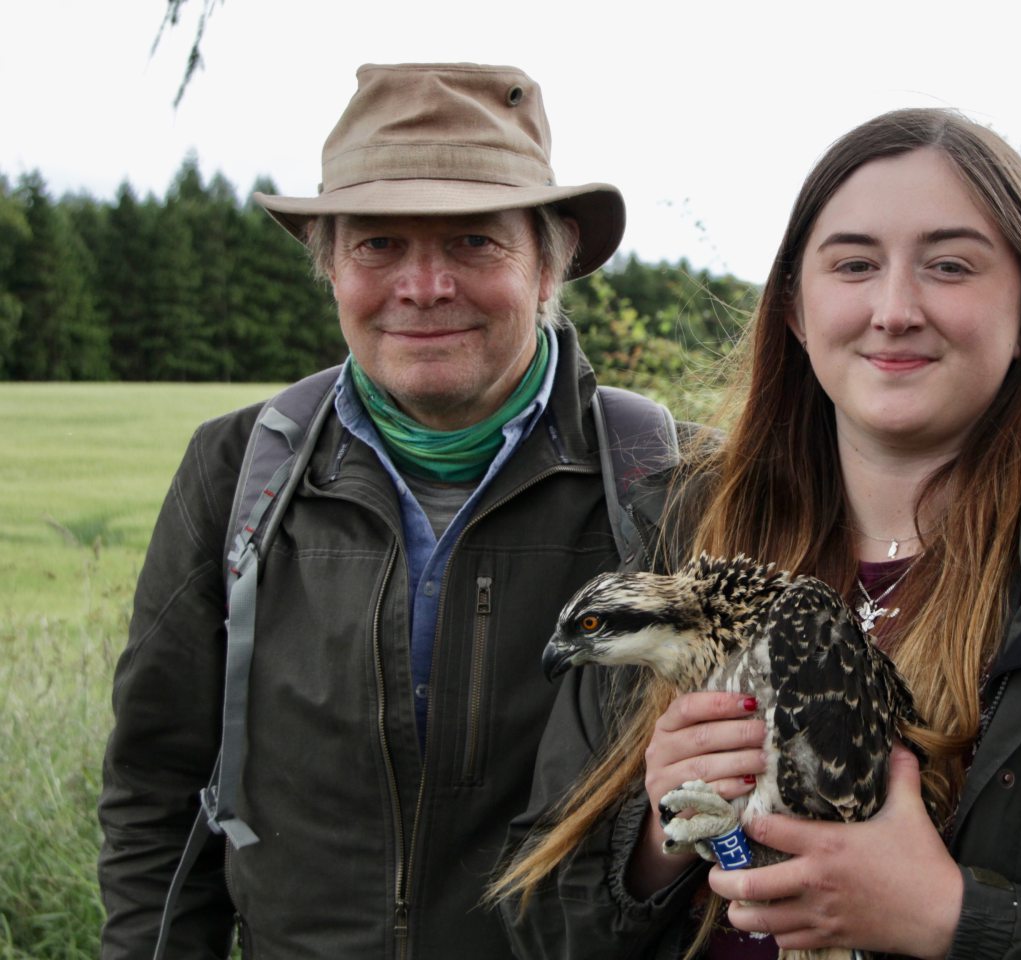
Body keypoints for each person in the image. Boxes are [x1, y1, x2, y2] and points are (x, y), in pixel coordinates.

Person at [496, 108, 1021, 959]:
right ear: (795, 308)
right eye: (854, 264)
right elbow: (543, 923)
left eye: (949, 266)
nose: (896, 309)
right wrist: (654, 841)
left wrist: (959, 918)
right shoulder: (679, 549)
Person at [97, 62, 655, 959]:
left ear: (549, 265)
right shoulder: (235, 470)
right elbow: (156, 793)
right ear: (330, 268)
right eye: (379, 244)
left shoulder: (668, 484)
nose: (424, 286)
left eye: (474, 241)